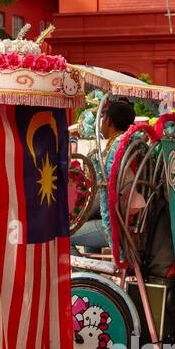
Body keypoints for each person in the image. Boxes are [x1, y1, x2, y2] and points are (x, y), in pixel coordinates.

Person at [71, 97, 137, 254]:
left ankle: (83, 276)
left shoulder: (115, 150)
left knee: (66, 235)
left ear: (109, 121)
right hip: (129, 217)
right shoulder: (131, 145)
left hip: (117, 223)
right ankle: (90, 274)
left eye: (103, 119)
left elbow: (102, 194)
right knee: (86, 223)